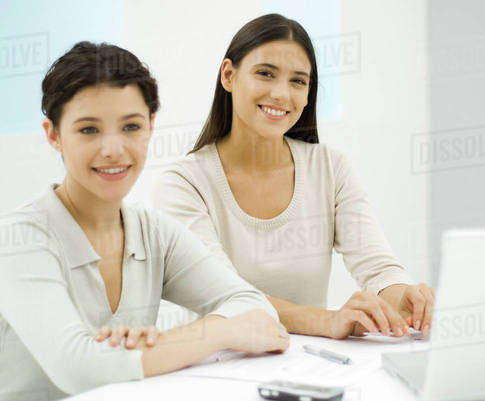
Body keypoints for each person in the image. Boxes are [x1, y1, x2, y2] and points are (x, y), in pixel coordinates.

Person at [0, 41, 288, 400]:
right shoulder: (19, 239)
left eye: (131, 127)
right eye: (88, 130)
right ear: (53, 134)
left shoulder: (153, 232)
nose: (113, 149)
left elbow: (254, 305)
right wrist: (217, 333)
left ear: (151, 126)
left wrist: (162, 345)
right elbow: (79, 369)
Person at [151, 14, 435, 341]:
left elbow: (379, 268)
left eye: (298, 81)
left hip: (312, 365)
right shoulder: (184, 183)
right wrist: (327, 321)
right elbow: (227, 295)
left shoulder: (330, 168)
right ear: (228, 75)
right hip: (219, 367)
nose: (282, 95)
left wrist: (402, 296)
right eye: (265, 74)